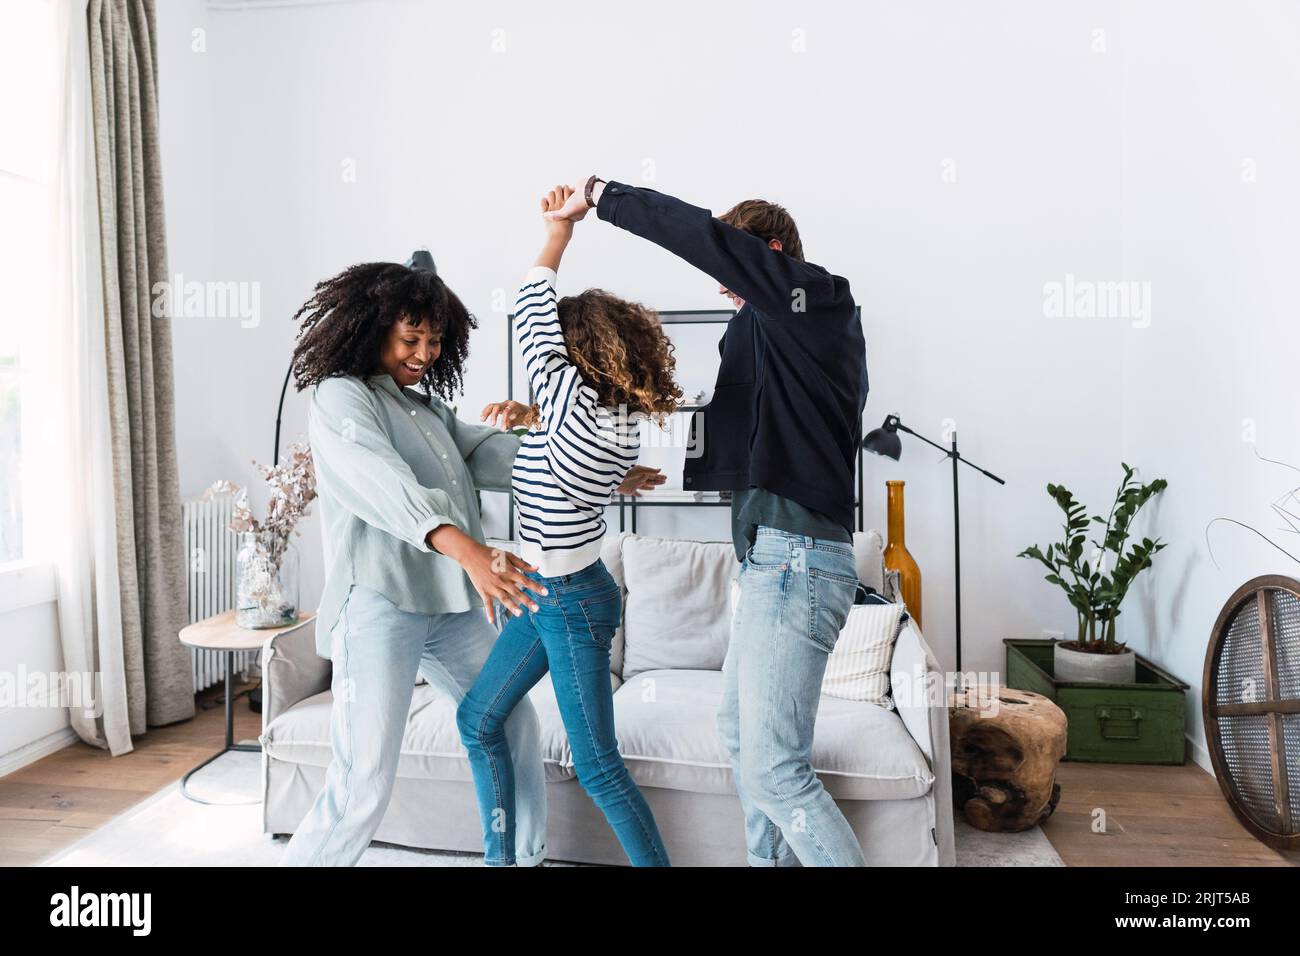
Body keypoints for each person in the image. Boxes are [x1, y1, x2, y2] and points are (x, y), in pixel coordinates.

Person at [545, 175, 870, 866]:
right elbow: (727, 417)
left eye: (735, 262)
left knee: (775, 770)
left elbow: (700, 237)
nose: (721, 281)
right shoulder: (767, 329)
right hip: (772, 562)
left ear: (774, 254)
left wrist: (604, 196)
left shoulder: (817, 301)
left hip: (801, 560)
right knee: (739, 736)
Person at [277, 259, 555, 866]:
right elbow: (383, 483)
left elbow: (492, 453)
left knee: (512, 722)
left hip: (449, 606)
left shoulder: (424, 410)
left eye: (435, 340)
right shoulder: (339, 397)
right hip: (378, 603)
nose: (425, 352)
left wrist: (593, 468)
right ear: (373, 328)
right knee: (364, 778)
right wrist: (474, 553)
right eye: (412, 339)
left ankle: (523, 858)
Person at [455, 185, 678, 866]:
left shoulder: (561, 390)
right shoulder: (616, 421)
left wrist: (558, 232)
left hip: (570, 603)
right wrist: (531, 417)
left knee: (599, 768)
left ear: (573, 352)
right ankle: (502, 860)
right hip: (548, 595)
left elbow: (528, 309)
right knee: (479, 719)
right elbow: (572, 465)